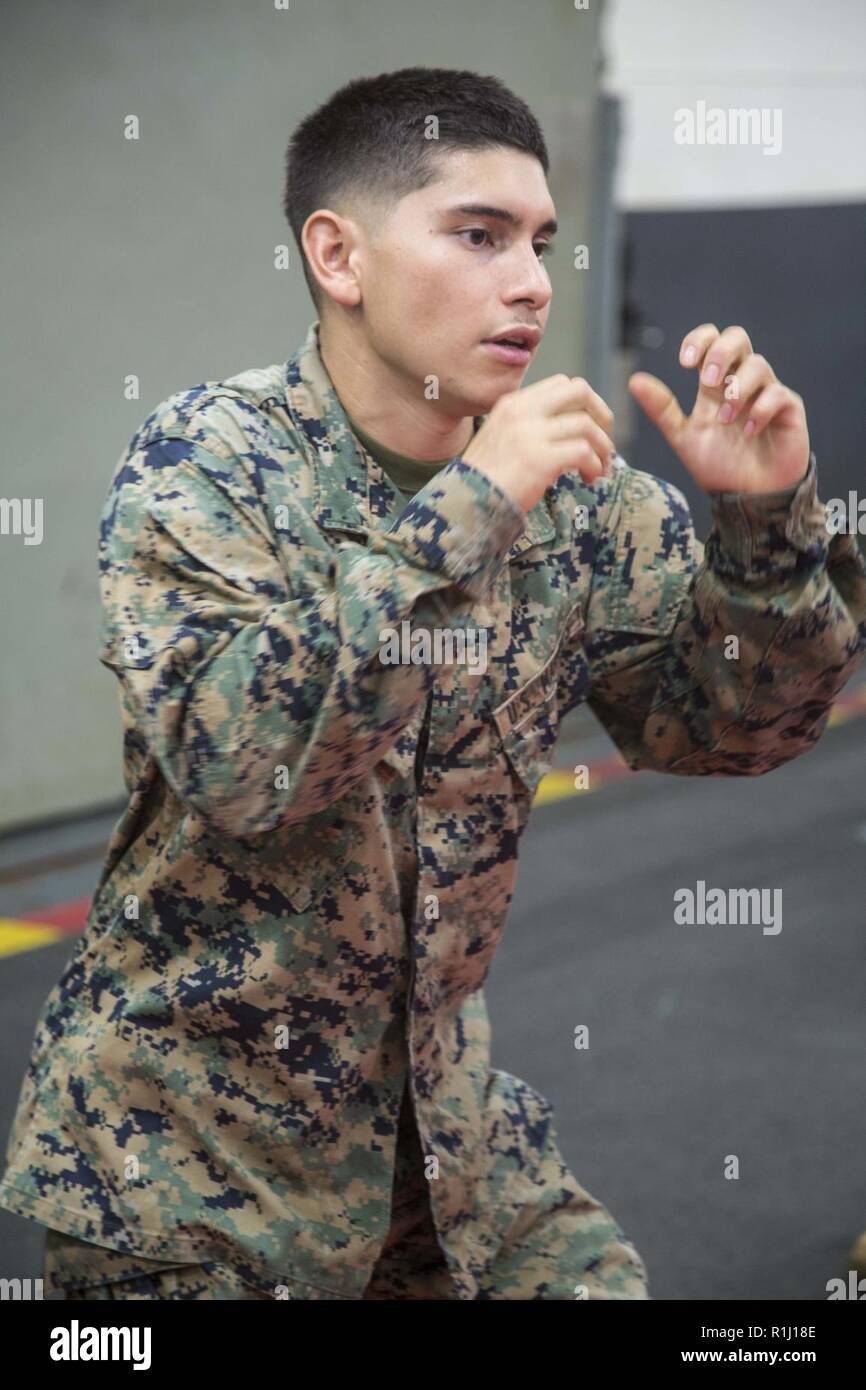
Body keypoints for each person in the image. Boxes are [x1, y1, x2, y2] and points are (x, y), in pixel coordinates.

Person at [3, 67, 865, 1302]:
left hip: (449, 1146)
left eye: (540, 243)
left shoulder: (579, 496)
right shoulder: (210, 461)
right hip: (186, 1173)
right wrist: (470, 512)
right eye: (476, 235)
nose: (526, 281)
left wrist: (762, 524)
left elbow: (738, 730)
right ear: (338, 258)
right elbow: (244, 766)